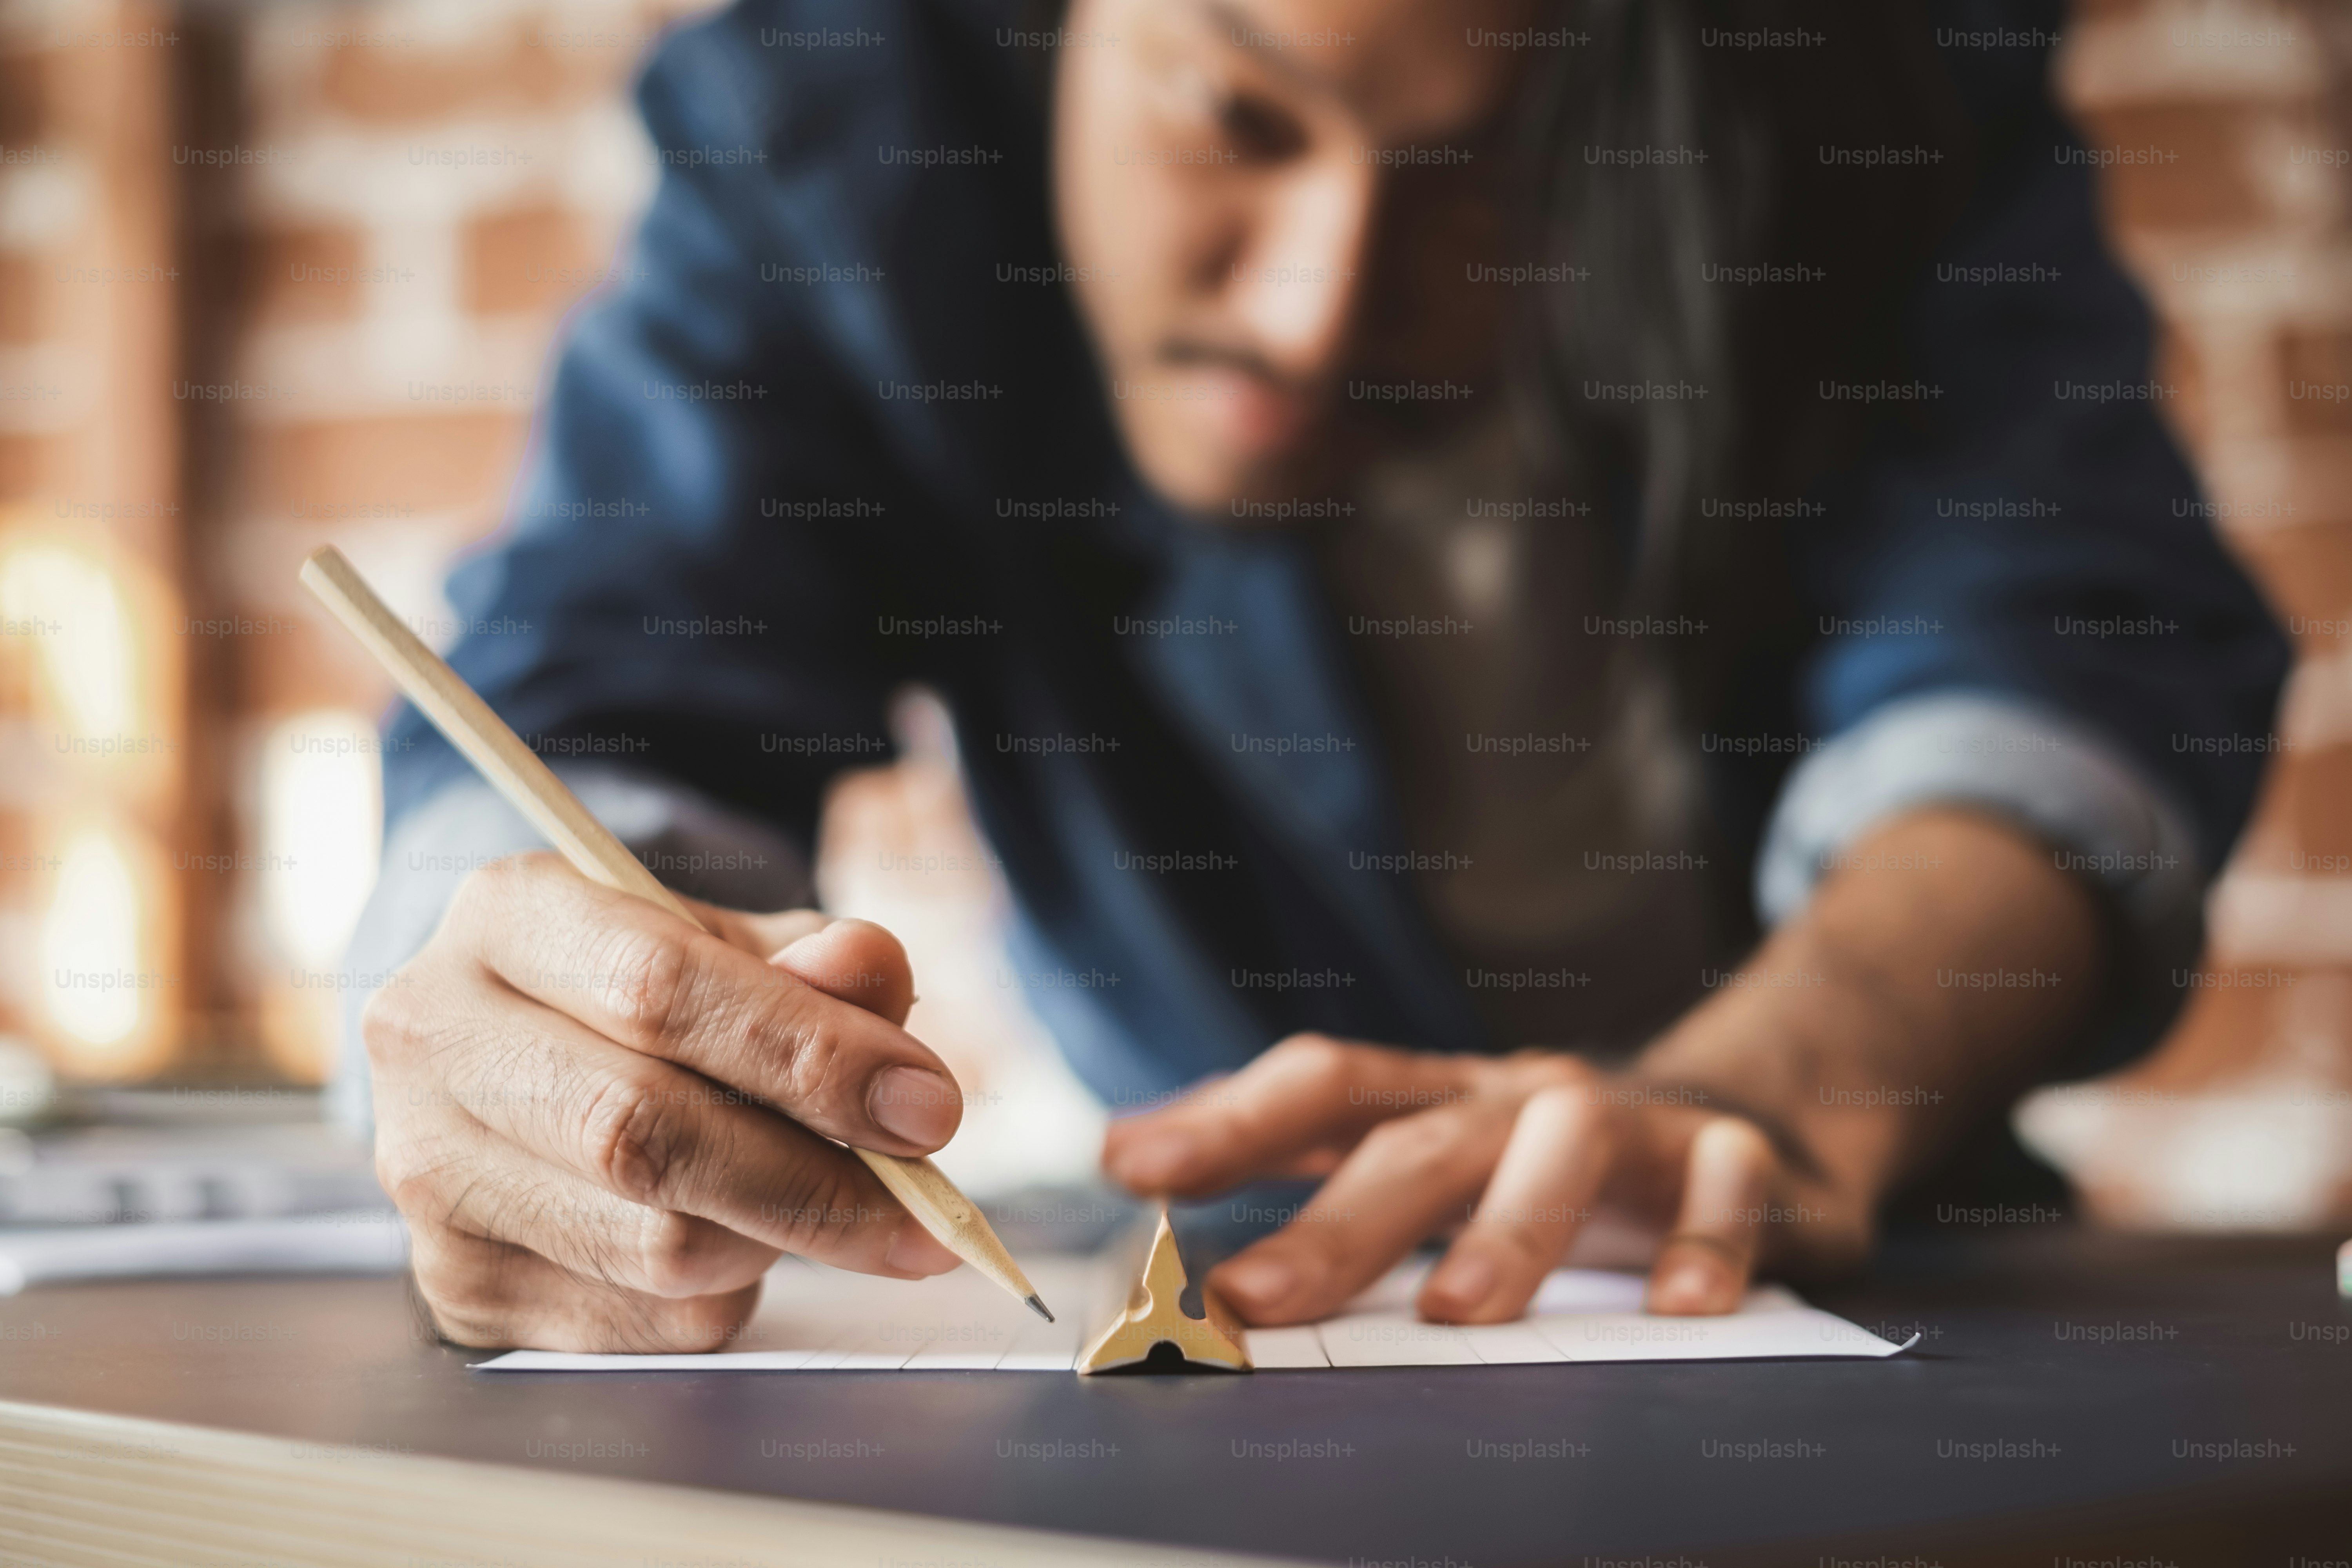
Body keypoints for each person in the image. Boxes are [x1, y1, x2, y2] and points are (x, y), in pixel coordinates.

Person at [342, 0, 2288, 1351]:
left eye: (1477, 191)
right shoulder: (849, 119)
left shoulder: (1874, 79)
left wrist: (1769, 1099)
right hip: (1230, 1290)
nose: (1317, 302)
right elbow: (603, 692)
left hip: (1858, 1234)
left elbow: (2058, 636)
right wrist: (544, 1013)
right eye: (1239, 115)